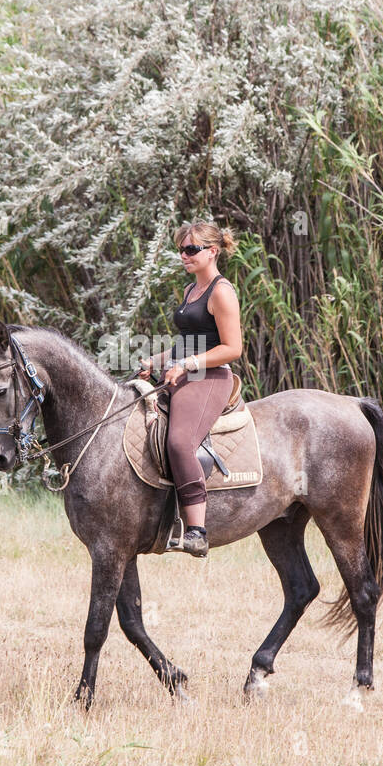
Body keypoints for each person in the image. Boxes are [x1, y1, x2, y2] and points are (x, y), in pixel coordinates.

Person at [137, 221, 242, 557]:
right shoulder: (190, 290)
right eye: (181, 249)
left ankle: (196, 529)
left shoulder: (221, 291)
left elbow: (232, 348)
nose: (184, 255)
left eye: (191, 249)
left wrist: (188, 365)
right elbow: (187, 344)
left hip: (211, 378)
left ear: (213, 251)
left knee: (180, 442)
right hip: (185, 372)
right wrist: (158, 359)